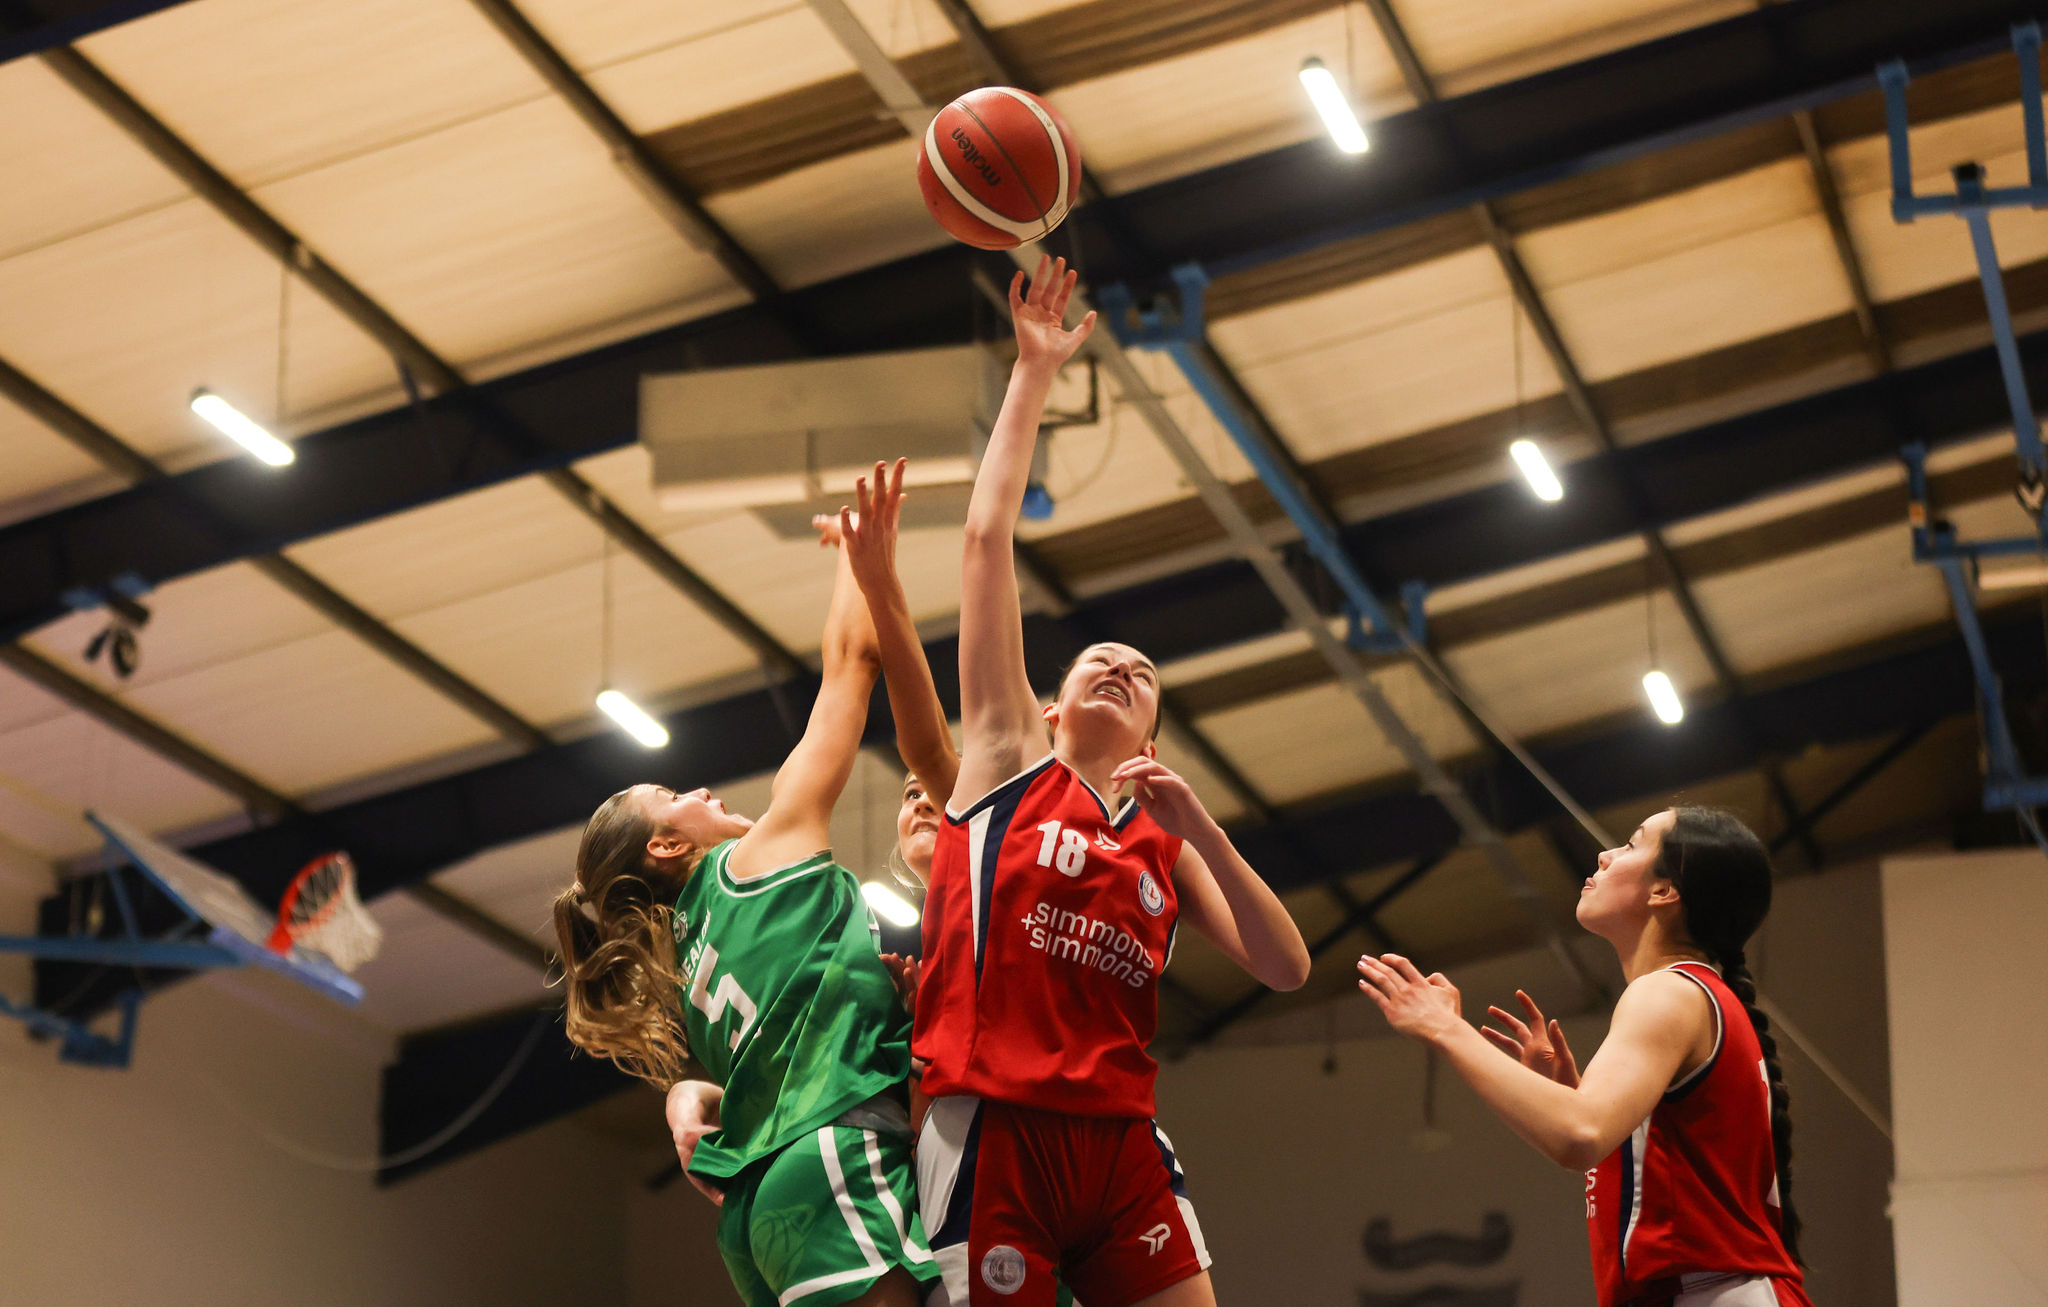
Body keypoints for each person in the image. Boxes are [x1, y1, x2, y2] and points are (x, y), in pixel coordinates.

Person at [912, 255, 1313, 1307]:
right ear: (1049, 706)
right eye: (1100, 657)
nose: (1123, 665)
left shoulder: (1161, 842)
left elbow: (1284, 966)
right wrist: (1033, 370)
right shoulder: (1005, 757)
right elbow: (984, 539)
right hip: (995, 1124)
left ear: (1151, 728)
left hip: (1119, 1138)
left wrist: (1205, 832)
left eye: (1144, 675)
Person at [555, 526, 939, 1307]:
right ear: (666, 844)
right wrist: (854, 559)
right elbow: (850, 666)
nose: (702, 793)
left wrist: (691, 1095)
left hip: (763, 1211)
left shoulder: (687, 968)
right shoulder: (756, 859)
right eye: (676, 796)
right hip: (834, 1154)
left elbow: (782, 1067)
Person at [1355, 807, 1811, 1307]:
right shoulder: (1695, 994)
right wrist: (1563, 1099)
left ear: (1665, 892)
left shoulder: (1668, 991)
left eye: (1632, 845)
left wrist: (1445, 1028)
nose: (1604, 854)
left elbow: (1579, 1135)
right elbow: (1628, 1158)